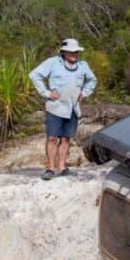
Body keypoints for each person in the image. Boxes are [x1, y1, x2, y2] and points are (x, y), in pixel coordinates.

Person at [29, 39, 97, 180]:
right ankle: (51, 169)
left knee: (66, 139)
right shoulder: (53, 62)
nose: (74, 54)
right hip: (55, 107)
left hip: (72, 108)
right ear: (64, 52)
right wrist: (47, 93)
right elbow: (34, 75)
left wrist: (84, 93)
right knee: (52, 138)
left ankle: (62, 167)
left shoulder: (83, 66)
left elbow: (92, 80)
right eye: (71, 51)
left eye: (76, 51)